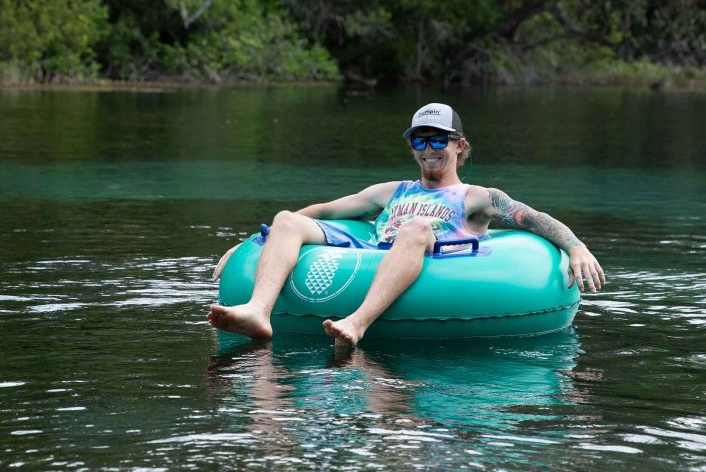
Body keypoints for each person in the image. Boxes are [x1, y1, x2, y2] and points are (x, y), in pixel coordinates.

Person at [208, 102, 605, 348]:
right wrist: (248, 246)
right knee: (285, 219)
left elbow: (530, 218)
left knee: (415, 229)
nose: (429, 149)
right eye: (420, 141)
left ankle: (356, 324)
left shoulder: (475, 198)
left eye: (438, 140)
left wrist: (576, 247)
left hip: (432, 258)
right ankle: (258, 311)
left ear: (459, 145)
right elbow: (325, 211)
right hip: (375, 255)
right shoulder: (391, 191)